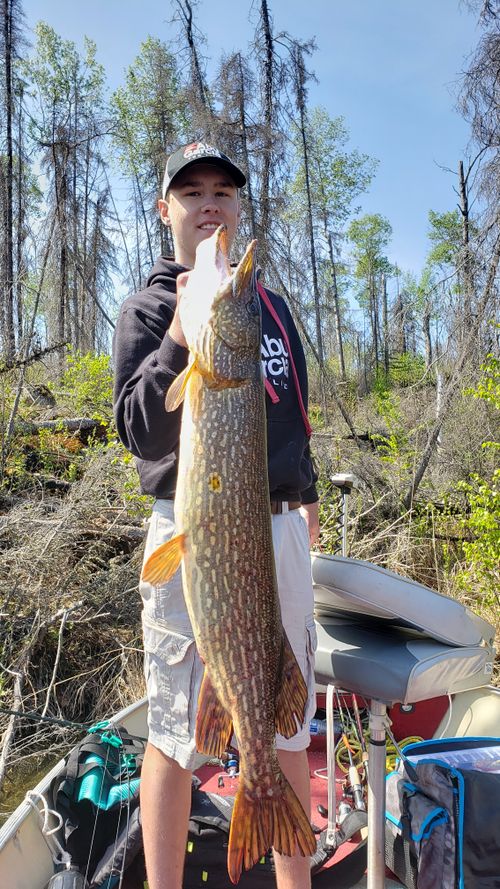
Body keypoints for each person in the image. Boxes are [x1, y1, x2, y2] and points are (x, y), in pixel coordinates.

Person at [113, 141, 320, 889]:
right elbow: (139, 425)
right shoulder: (150, 308)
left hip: (275, 528)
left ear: (237, 207)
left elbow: (293, 410)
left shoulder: (264, 305)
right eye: (191, 191)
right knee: (173, 732)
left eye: (223, 193)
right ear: (165, 209)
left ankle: (293, 871)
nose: (209, 203)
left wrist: (307, 499)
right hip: (188, 529)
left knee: (284, 718)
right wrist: (181, 330)